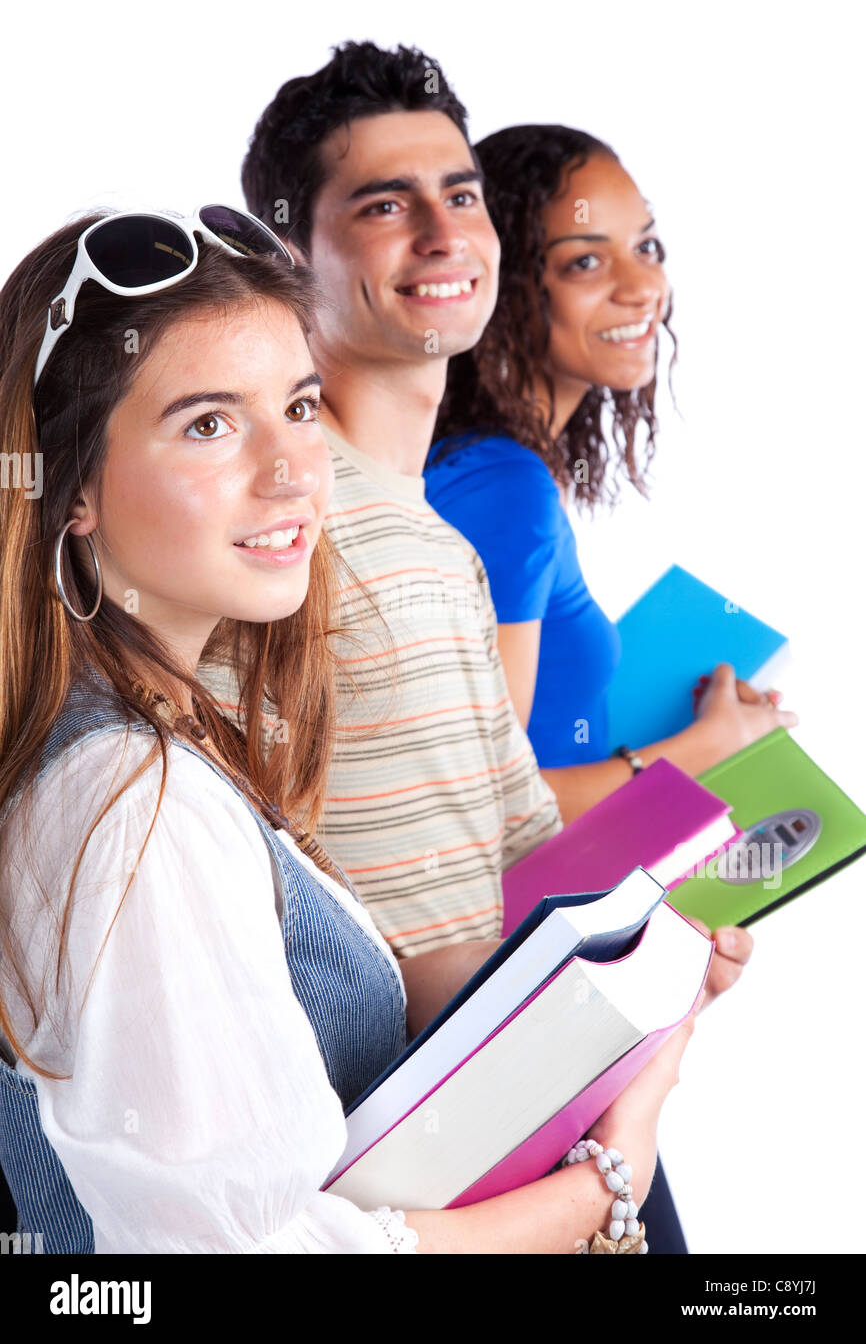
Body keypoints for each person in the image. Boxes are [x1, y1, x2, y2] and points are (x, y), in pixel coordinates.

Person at [0, 206, 697, 1254]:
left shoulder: (158, 743)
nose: (294, 470)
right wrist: (602, 1180)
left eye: (298, 406)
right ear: (75, 485)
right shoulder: (131, 802)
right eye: (207, 423)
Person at [220, 42, 562, 959]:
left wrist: (659, 943)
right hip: (363, 1093)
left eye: (460, 195)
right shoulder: (267, 516)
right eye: (384, 205)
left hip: (487, 1078)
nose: (444, 233)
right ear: (290, 254)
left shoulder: (444, 548)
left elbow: (523, 848)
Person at [425, 125, 798, 825]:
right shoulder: (504, 488)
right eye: (585, 263)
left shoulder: (498, 469)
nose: (643, 287)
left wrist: (665, 743)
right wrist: (706, 747)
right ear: (501, 285)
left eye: (646, 248)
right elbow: (483, 815)